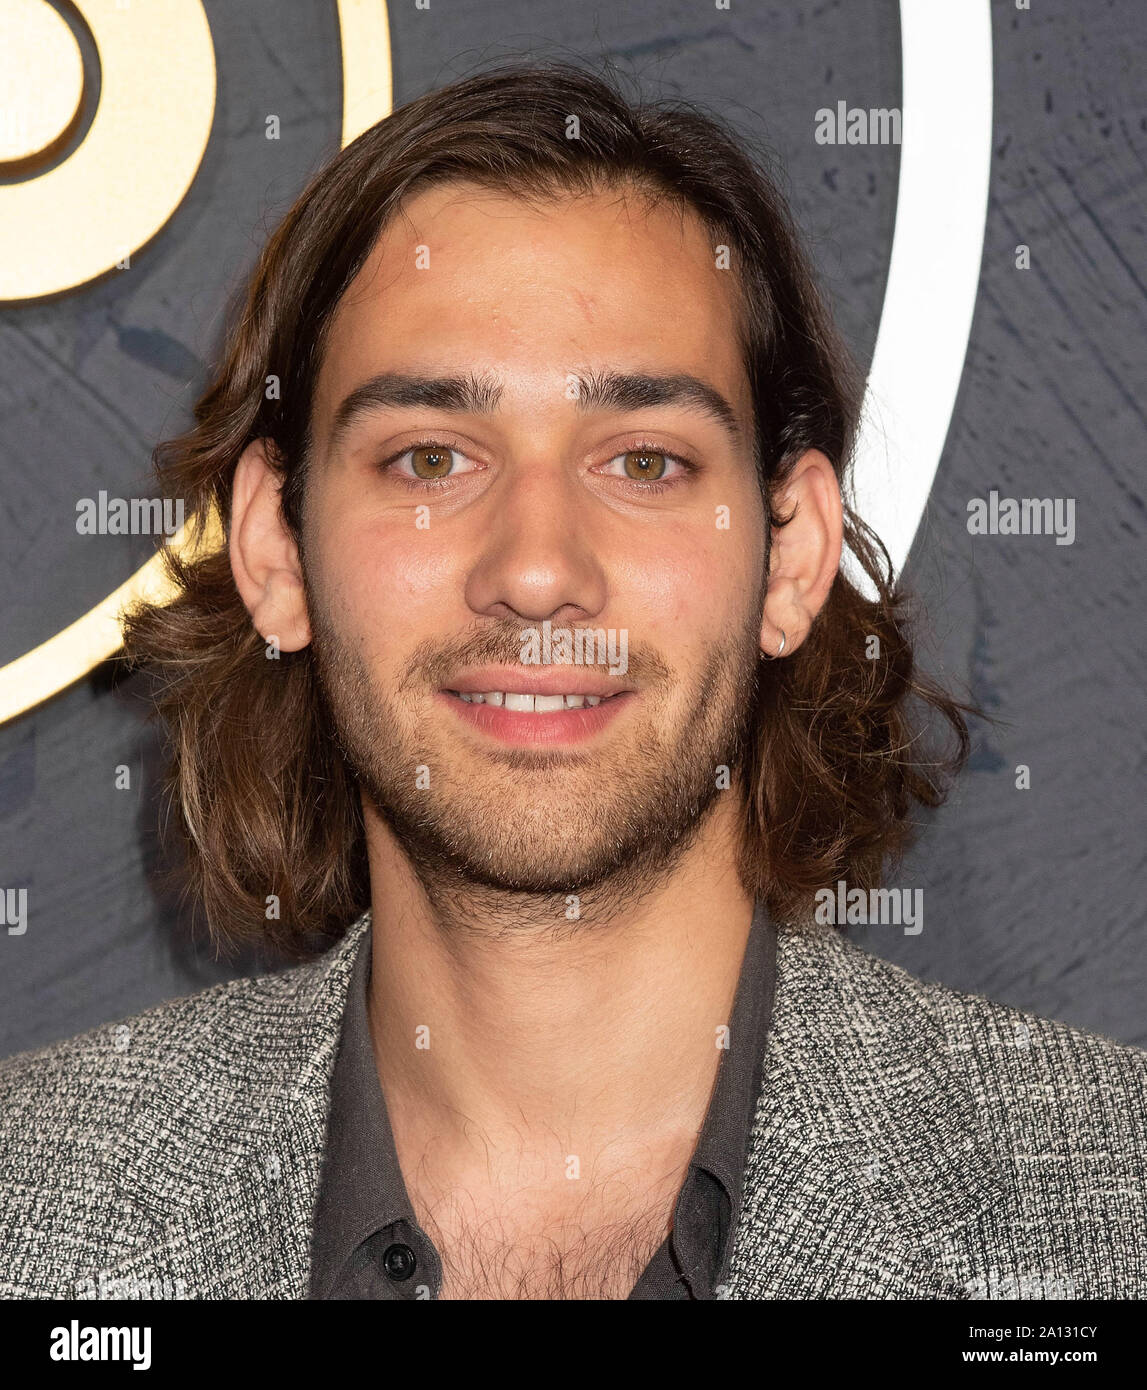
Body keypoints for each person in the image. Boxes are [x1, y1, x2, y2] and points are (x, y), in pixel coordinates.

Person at [2, 59, 1144, 1301]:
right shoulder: (33, 1214)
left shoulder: (1105, 1216)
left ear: (790, 555)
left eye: (644, 461)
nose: (538, 570)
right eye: (430, 458)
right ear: (277, 549)